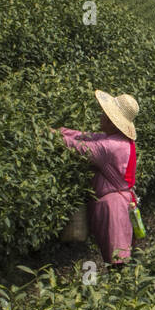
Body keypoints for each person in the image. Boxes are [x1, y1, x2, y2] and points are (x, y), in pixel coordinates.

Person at [52, 91, 140, 265]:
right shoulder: (118, 140)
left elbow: (77, 147)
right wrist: (60, 131)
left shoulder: (110, 147)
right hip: (123, 202)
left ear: (111, 121)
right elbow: (83, 136)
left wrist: (49, 135)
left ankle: (121, 289)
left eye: (103, 115)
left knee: (117, 260)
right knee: (122, 253)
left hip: (112, 208)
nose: (100, 117)